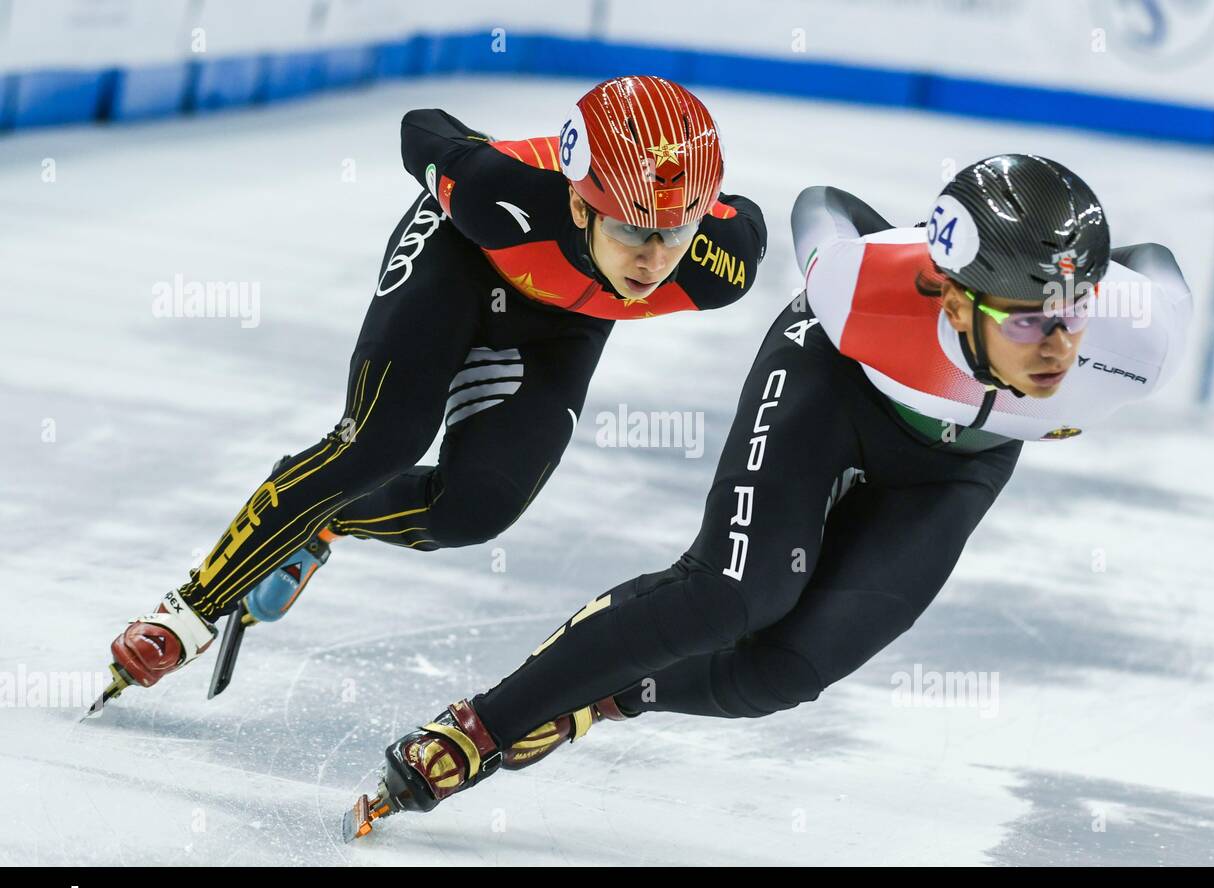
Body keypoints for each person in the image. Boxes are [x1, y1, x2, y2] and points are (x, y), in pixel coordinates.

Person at [346, 154, 1193, 839]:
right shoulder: (861, 290)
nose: (1057, 347)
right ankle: (480, 727)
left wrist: (1068, 281)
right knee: (735, 593)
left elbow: (1156, 267)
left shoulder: (1138, 341)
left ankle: (600, 696)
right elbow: (823, 205)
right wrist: (918, 245)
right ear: (952, 297)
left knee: (783, 672)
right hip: (835, 388)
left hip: (957, 465)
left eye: (1073, 315)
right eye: (1026, 321)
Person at [98, 76, 767, 701]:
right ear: (575, 200)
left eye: (675, 232)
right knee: (380, 444)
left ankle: (323, 514)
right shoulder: (496, 192)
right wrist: (476, 156)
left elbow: (760, 223)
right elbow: (421, 124)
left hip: (561, 327)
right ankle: (188, 608)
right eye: (631, 230)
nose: (654, 259)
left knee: (472, 512)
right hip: (458, 263)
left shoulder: (721, 264)